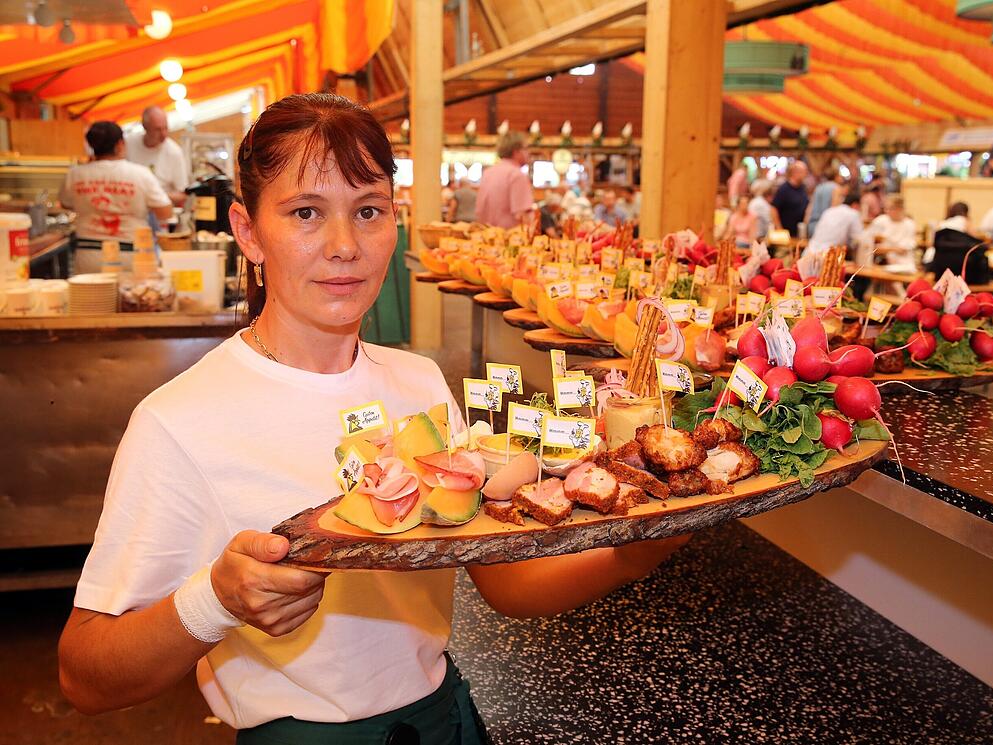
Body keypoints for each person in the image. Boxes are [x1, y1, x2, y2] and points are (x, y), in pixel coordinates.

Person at [57, 94, 688, 742]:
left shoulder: (416, 382)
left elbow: (504, 580)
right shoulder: (179, 421)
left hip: (443, 722)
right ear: (248, 231)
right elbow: (85, 673)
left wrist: (633, 555)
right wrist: (215, 599)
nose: (345, 245)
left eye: (368, 211)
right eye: (306, 212)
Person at [59, 121, 173, 274]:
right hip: (131, 255)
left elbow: (65, 203)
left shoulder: (75, 174)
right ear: (120, 144)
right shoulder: (140, 174)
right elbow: (166, 213)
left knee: (89, 297)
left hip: (88, 255)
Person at [124, 106, 190, 207]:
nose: (164, 134)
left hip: (160, 210)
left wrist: (154, 195)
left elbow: (183, 194)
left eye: (166, 128)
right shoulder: (128, 143)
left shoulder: (174, 152)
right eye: (157, 129)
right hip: (131, 206)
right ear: (144, 127)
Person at [475, 131, 534, 228]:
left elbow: (480, 210)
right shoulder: (517, 175)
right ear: (516, 151)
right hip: (509, 238)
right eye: (526, 149)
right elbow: (522, 215)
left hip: (486, 234)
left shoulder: (488, 173)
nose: (529, 153)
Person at [861, 195, 918, 272]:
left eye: (891, 208)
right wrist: (892, 249)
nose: (887, 211)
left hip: (904, 263)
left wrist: (885, 248)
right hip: (881, 261)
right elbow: (868, 244)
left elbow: (903, 250)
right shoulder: (880, 220)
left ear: (900, 209)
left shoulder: (909, 224)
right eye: (886, 208)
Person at [771, 160, 809, 237]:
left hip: (799, 232)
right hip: (785, 232)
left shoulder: (803, 188)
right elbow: (773, 209)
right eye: (804, 172)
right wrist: (780, 229)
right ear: (795, 172)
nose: (806, 174)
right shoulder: (784, 189)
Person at [805, 166, 841, 238]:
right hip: (826, 227)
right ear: (836, 176)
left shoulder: (819, 187)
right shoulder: (836, 188)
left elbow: (809, 209)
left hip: (812, 226)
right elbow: (834, 210)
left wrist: (806, 225)